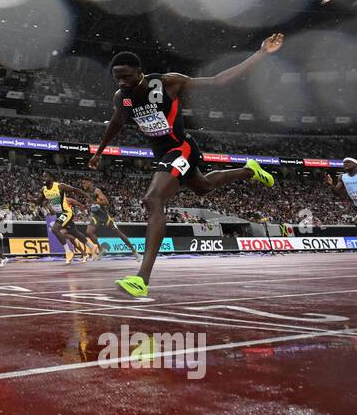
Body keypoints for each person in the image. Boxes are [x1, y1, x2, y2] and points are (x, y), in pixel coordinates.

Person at [90, 34, 284, 298]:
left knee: (153, 199)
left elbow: (219, 82)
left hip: (182, 148)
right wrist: (99, 151)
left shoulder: (168, 82)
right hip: (162, 153)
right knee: (204, 186)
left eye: (126, 76)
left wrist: (260, 53)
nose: (122, 82)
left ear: (140, 72)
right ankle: (250, 169)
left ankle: (141, 279)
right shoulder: (122, 97)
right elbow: (117, 121)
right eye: (118, 78)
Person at [39, 171, 98, 265]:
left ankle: (68, 252)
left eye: (45, 177)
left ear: (51, 178)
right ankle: (91, 246)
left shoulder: (59, 186)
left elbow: (75, 190)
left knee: (55, 229)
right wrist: (32, 200)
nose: (43, 179)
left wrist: (86, 196)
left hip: (66, 213)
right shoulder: (44, 190)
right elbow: (39, 201)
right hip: (59, 214)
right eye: (42, 177)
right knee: (74, 232)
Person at [81, 179, 137, 256]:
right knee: (89, 232)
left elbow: (106, 202)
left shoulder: (97, 191)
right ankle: (101, 249)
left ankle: (134, 251)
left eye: (84, 183)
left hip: (105, 216)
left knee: (119, 234)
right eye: (82, 183)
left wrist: (95, 202)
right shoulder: (87, 193)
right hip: (96, 216)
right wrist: (86, 215)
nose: (82, 185)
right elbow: (90, 205)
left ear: (90, 183)